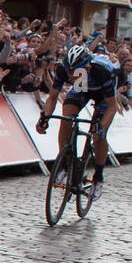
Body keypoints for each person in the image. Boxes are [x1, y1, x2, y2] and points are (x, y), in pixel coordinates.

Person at [37, 44, 119, 201]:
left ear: (87, 67)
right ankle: (65, 163)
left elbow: (112, 105)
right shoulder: (63, 69)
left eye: (74, 71)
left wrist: (101, 127)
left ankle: (98, 177)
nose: (70, 74)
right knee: (66, 118)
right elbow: (53, 97)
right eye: (68, 70)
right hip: (82, 87)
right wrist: (44, 118)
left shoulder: (101, 72)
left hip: (103, 96)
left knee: (98, 136)